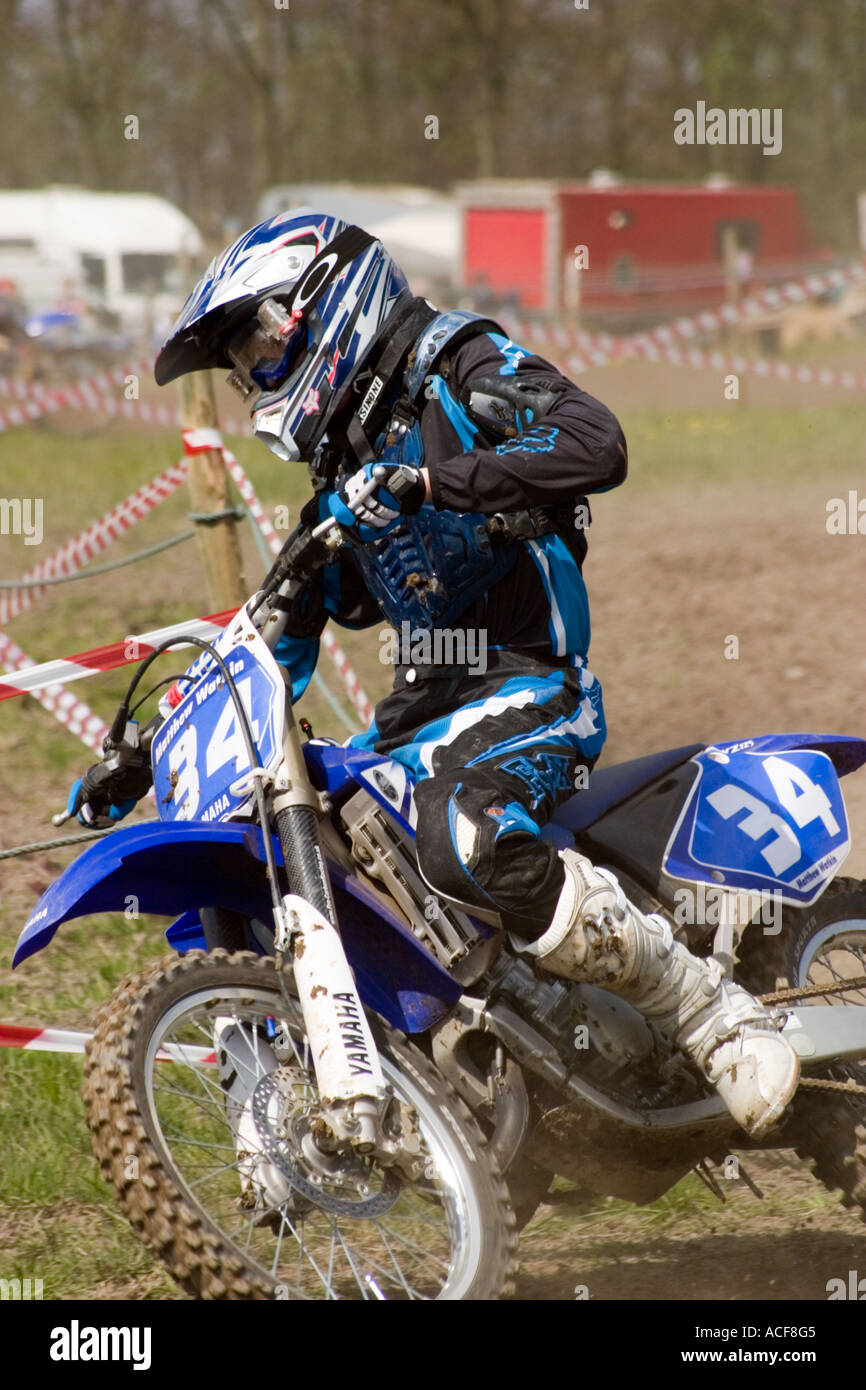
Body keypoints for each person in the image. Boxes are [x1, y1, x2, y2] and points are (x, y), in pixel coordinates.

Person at [69, 209, 799, 1137]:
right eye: (242, 365)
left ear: (324, 297)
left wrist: (433, 482)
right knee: (309, 836)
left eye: (259, 342)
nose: (255, 376)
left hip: (533, 686)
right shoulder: (341, 480)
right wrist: (145, 749)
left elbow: (593, 441)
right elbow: (269, 643)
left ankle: (710, 1013)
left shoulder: (458, 363)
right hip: (419, 722)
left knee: (464, 831)